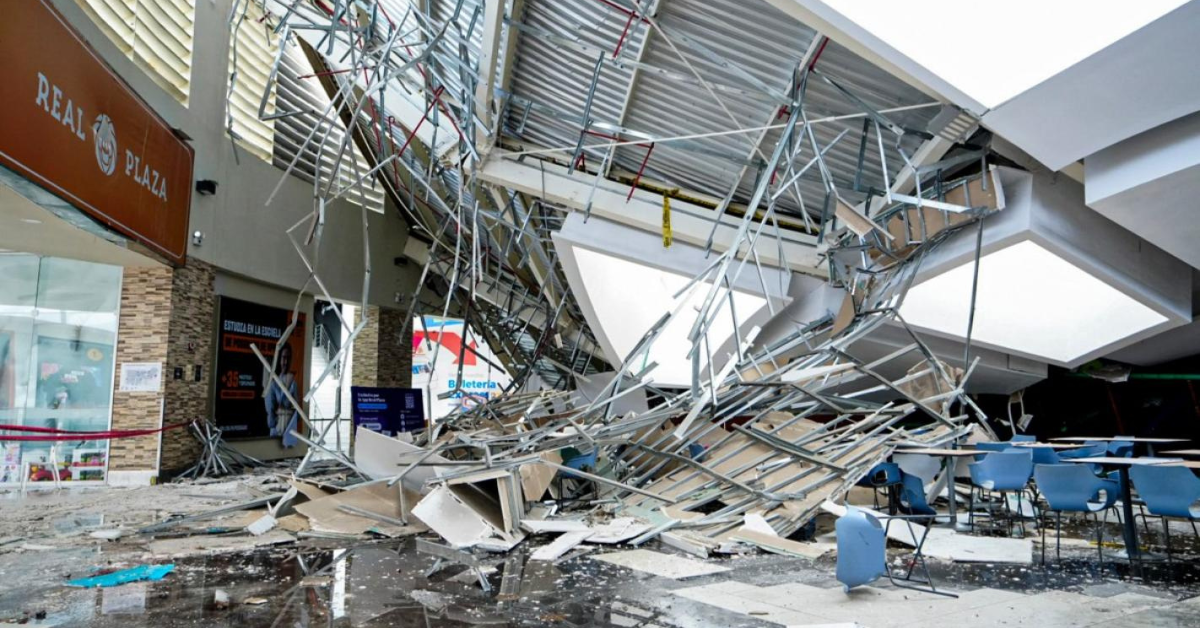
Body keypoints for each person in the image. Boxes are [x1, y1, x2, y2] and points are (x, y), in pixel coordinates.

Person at [264, 343, 299, 448]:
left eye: (288, 358)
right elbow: (270, 411)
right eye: (284, 358)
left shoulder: (293, 383)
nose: (286, 362)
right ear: (279, 359)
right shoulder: (273, 383)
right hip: (276, 431)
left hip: (289, 430)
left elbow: (297, 409)